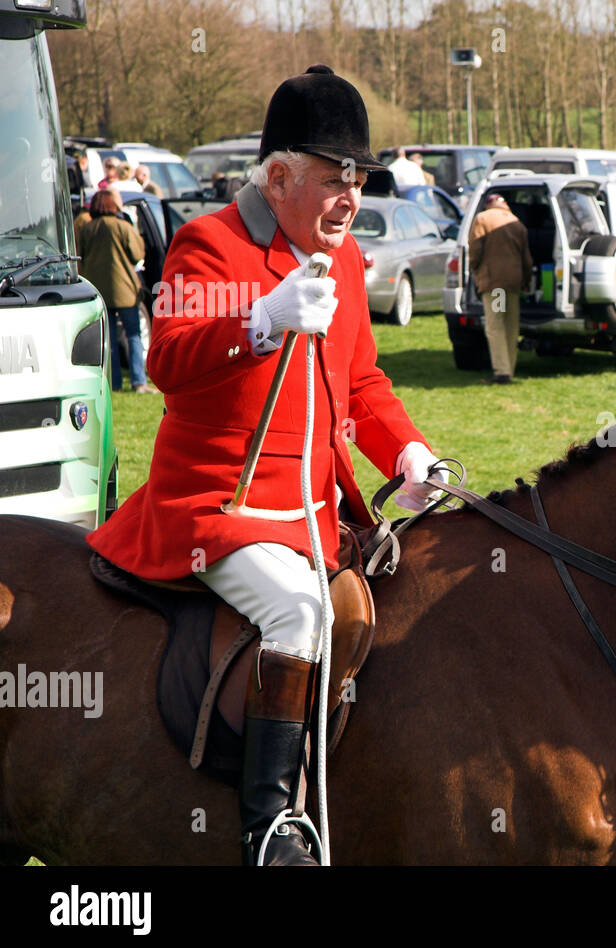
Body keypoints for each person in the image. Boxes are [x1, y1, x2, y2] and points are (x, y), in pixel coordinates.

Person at [86, 64, 445, 867]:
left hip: (314, 513)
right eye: (333, 179)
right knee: (297, 613)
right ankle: (270, 825)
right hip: (217, 506)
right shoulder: (208, 243)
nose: (350, 198)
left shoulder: (346, 260)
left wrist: (408, 450)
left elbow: (361, 383)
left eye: (358, 179)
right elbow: (169, 361)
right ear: (278, 176)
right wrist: (257, 321)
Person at [76, 189, 154, 393]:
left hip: (99, 291)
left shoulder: (87, 228)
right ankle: (139, 381)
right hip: (125, 291)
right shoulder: (122, 226)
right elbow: (138, 253)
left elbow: (79, 256)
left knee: (107, 341)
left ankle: (114, 382)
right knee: (134, 335)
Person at [468, 192, 533, 384]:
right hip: (513, 282)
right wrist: (526, 281)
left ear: (489, 205)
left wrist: (474, 267)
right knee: (511, 326)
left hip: (495, 283)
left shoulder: (483, 218)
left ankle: (502, 372)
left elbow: (475, 249)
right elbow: (527, 259)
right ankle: (509, 369)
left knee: (496, 325)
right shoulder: (516, 222)